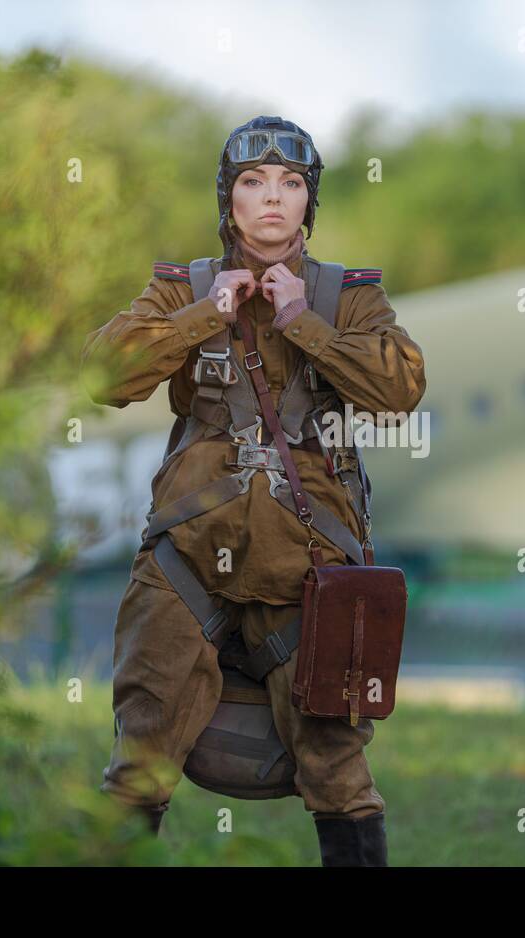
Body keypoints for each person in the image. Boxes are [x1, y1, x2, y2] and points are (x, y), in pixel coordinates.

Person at [80, 115, 426, 865]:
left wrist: (305, 323)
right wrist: (210, 314)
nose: (272, 198)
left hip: (308, 563)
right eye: (253, 182)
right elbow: (101, 375)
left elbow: (401, 390)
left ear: (310, 203)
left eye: (291, 184)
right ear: (228, 201)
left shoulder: (348, 297)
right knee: (139, 756)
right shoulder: (184, 289)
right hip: (190, 551)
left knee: (337, 766)